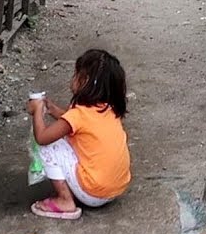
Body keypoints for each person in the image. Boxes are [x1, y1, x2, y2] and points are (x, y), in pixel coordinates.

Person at [26, 49, 131, 219]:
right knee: (66, 138)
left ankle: (65, 200)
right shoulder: (108, 109)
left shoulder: (78, 115)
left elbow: (43, 137)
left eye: (76, 74)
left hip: (93, 193)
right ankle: (76, 189)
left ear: (85, 80)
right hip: (116, 188)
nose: (73, 78)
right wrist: (52, 109)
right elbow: (74, 124)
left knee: (48, 146)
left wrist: (37, 110)